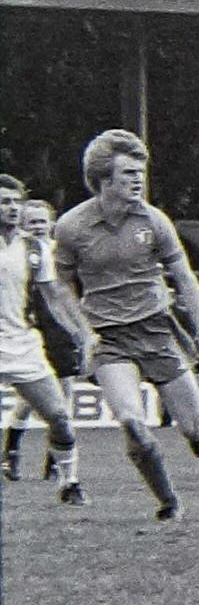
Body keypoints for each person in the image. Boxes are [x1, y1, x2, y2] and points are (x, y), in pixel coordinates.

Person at [49, 129, 199, 520]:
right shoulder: (71, 227)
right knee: (131, 420)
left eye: (140, 172)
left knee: (197, 431)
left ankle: (198, 432)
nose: (138, 180)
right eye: (128, 173)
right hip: (108, 337)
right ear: (103, 180)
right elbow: (61, 283)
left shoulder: (155, 220)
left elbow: (185, 280)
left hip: (156, 329)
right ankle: (168, 502)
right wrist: (83, 331)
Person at [0, 181, 92, 505]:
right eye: (4, 202)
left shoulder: (35, 249)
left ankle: (69, 483)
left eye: (15, 202)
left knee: (59, 416)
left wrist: (79, 332)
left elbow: (53, 296)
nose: (12, 208)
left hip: (22, 345)